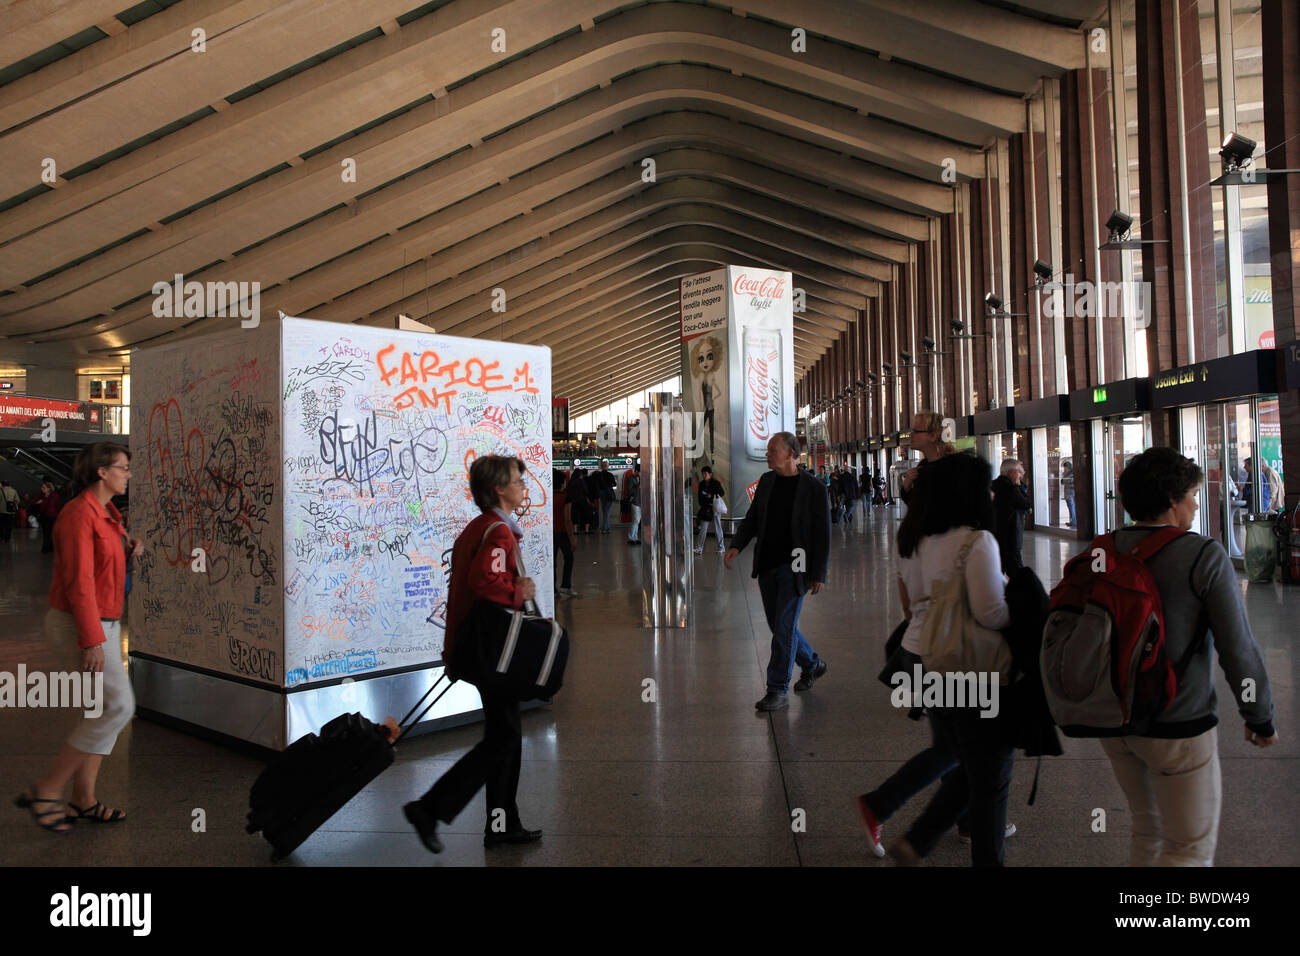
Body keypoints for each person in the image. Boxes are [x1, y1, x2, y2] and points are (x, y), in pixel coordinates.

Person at [1100, 448, 1276, 866]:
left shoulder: (1102, 550)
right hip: (1177, 722)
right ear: (1172, 499)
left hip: (1113, 718)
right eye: (1193, 495)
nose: (1197, 505)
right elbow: (1237, 648)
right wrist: (1259, 715)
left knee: (1147, 829)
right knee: (1188, 846)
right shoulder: (1201, 554)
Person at [864, 453, 1015, 867]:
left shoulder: (921, 539)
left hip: (931, 656)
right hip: (974, 666)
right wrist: (1019, 604)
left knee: (961, 756)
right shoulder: (977, 540)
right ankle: (922, 828)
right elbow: (991, 613)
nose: (990, 494)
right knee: (987, 767)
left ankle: (924, 832)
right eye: (985, 486)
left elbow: (911, 603)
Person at [405, 455, 542, 853]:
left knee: (506, 737)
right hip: (493, 653)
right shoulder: (498, 532)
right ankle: (430, 809)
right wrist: (521, 592)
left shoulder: (479, 528)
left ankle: (502, 824)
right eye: (518, 480)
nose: (523, 486)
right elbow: (484, 583)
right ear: (499, 489)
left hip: (480, 649)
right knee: (502, 739)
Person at [17, 443, 142, 832]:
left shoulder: (105, 512)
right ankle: (48, 788)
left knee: (98, 709)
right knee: (119, 706)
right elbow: (79, 584)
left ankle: (82, 799)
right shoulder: (78, 514)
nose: (128, 474)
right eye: (123, 468)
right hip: (81, 624)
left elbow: (102, 561)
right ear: (102, 472)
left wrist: (129, 547)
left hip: (99, 622)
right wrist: (90, 642)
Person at [725, 432, 830, 711]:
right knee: (778, 625)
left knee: (783, 627)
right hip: (768, 562)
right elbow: (753, 519)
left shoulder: (814, 488)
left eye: (773, 450)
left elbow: (822, 534)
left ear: (790, 454)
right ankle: (813, 664)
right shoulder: (767, 482)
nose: (768, 453)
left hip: (796, 564)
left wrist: (819, 572)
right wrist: (737, 545)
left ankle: (777, 688)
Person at [901, 411, 955, 503]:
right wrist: (907, 485)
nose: (910, 434)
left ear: (933, 436)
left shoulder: (954, 471)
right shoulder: (923, 467)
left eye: (916, 431)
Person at [991, 458, 1030, 574]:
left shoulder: (992, 485)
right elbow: (1025, 503)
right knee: (1016, 570)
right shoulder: (1011, 489)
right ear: (1011, 473)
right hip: (1010, 536)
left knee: (998, 568)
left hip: (996, 534)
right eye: (1019, 472)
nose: (1020, 476)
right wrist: (1018, 486)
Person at [552, 469, 577, 596]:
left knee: (552, 562)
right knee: (569, 558)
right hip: (562, 533)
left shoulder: (548, 496)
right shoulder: (565, 497)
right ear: (562, 483)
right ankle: (566, 586)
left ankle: (553, 590)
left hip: (550, 534)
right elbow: (567, 520)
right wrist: (572, 538)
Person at [694, 466, 726, 554]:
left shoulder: (715, 482)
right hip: (706, 508)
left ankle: (721, 547)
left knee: (717, 527)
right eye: (703, 474)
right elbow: (699, 496)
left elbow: (722, 493)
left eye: (706, 474)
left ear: (710, 474)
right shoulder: (701, 484)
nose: (704, 475)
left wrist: (711, 495)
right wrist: (703, 504)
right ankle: (699, 548)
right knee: (703, 528)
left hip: (715, 508)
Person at [33, 480, 61, 554]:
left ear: (49, 488)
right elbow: (33, 502)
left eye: (44, 487)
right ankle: (49, 547)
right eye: (42, 487)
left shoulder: (54, 496)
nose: (42, 488)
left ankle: (46, 548)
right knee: (46, 532)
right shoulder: (40, 496)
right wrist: (37, 503)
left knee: (50, 532)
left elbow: (57, 506)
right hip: (44, 516)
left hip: (52, 516)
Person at [594, 459, 618, 534]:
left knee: (605, 511)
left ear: (601, 467)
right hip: (608, 494)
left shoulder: (598, 475)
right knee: (607, 512)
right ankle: (604, 529)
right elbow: (614, 484)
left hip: (601, 494)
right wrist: (609, 485)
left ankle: (608, 528)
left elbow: (596, 485)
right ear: (607, 466)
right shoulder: (610, 475)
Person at [625, 463, 642, 545]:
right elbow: (630, 491)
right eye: (640, 472)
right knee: (635, 520)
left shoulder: (639, 479)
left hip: (640, 502)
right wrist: (638, 485)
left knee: (638, 521)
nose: (641, 474)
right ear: (636, 471)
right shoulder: (630, 479)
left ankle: (635, 537)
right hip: (635, 502)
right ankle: (631, 538)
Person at [1061, 460, 1075, 528]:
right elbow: (1062, 481)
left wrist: (1064, 480)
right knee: (1071, 507)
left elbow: (1064, 481)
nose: (1064, 469)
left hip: (1070, 493)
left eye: (1065, 467)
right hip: (1068, 493)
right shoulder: (1066, 473)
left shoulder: (1069, 474)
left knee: (1071, 507)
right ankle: (1072, 521)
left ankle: (1074, 521)